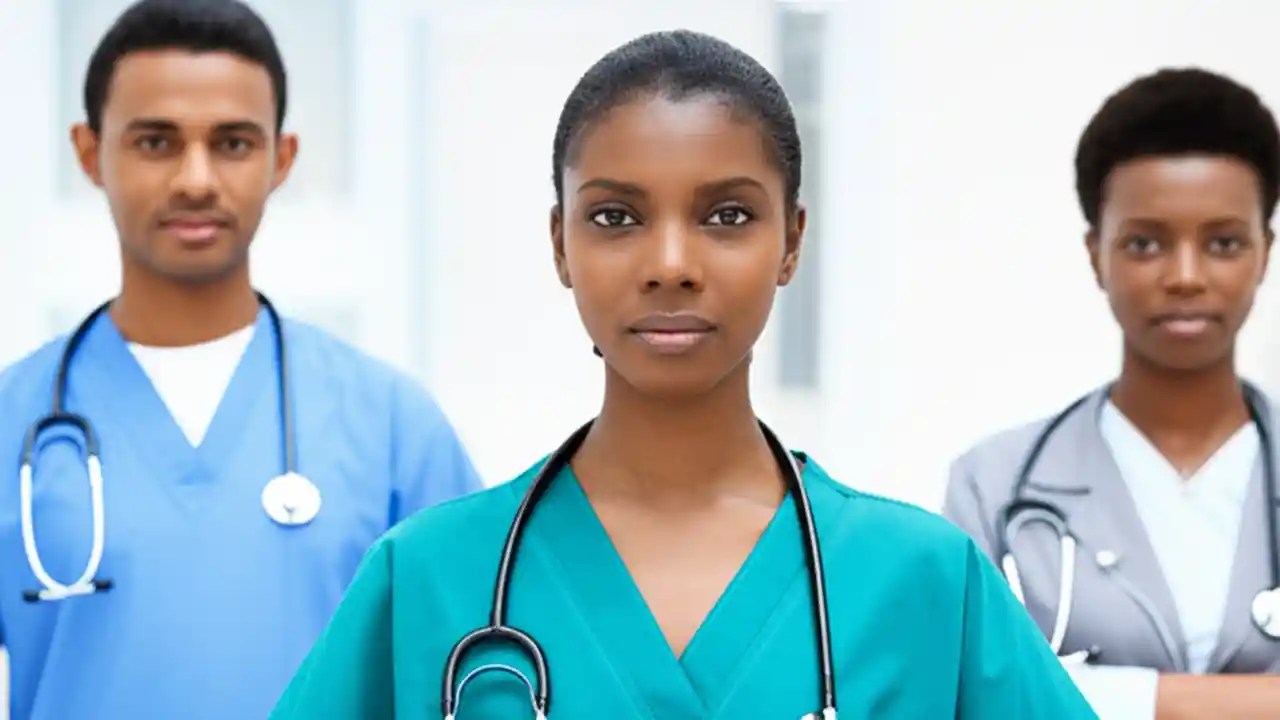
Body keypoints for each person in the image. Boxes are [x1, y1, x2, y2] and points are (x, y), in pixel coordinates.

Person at [269, 30, 1096, 719]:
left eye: (727, 216)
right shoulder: (429, 577)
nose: (671, 264)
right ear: (561, 244)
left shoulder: (924, 581)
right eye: (616, 217)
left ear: (793, 241)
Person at [0, 1, 482, 719]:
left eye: (232, 143)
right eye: (156, 142)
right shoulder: (12, 419)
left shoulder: (392, 429)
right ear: (88, 152)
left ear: (280, 159)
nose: (196, 179)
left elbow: (470, 674)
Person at [943, 67, 1280, 719]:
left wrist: (1105, 697)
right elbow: (967, 700)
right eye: (1146, 243)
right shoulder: (993, 487)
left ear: (1265, 253)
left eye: (1223, 243)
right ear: (1097, 254)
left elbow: (1023, 696)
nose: (1185, 276)